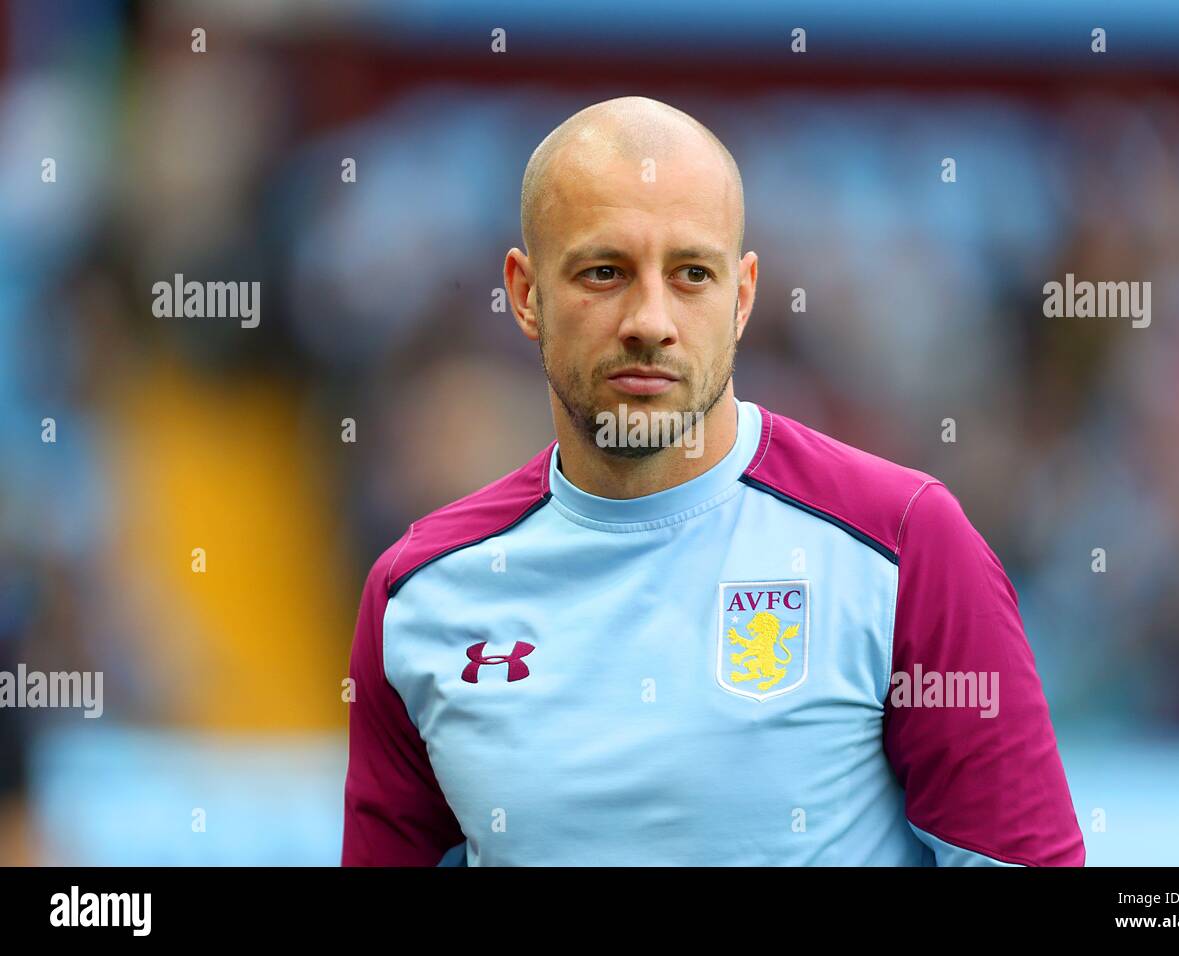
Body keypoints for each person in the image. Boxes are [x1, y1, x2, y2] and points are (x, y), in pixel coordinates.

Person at [341, 96, 1084, 866]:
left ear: (742, 296)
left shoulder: (904, 545)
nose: (650, 320)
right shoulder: (421, 596)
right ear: (527, 295)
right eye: (605, 272)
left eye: (692, 273)